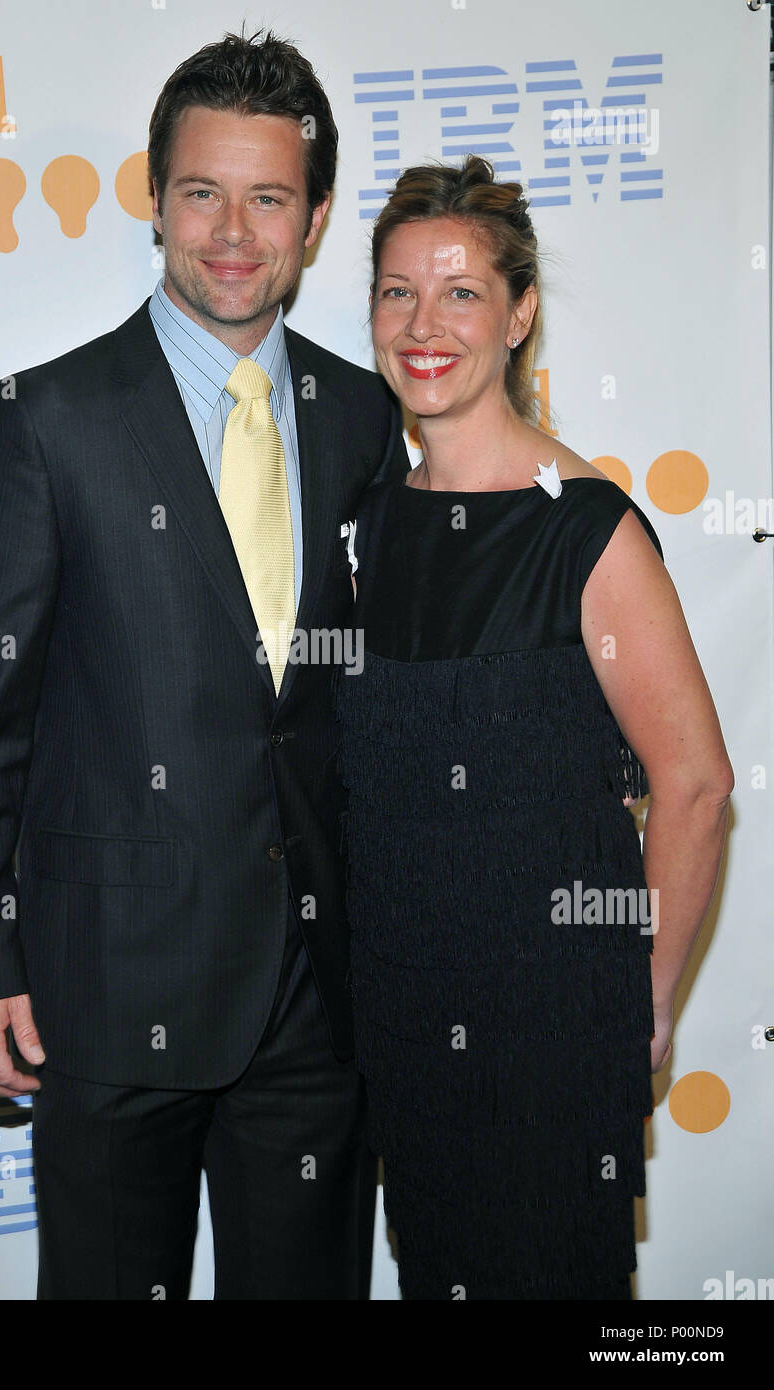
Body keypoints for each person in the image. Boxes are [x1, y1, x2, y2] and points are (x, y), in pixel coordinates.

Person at [0, 30, 409, 1300]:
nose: (233, 230)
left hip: (316, 999)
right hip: (106, 984)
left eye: (268, 198)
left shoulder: (361, 418)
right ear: (153, 198)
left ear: (311, 219)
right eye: (202, 192)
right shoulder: (45, 421)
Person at [334, 154, 733, 1300]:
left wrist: (640, 1000)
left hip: (556, 1028)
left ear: (519, 314)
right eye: (397, 290)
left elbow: (696, 785)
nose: (424, 322)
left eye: (461, 292)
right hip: (408, 1025)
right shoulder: (367, 531)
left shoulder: (587, 531)